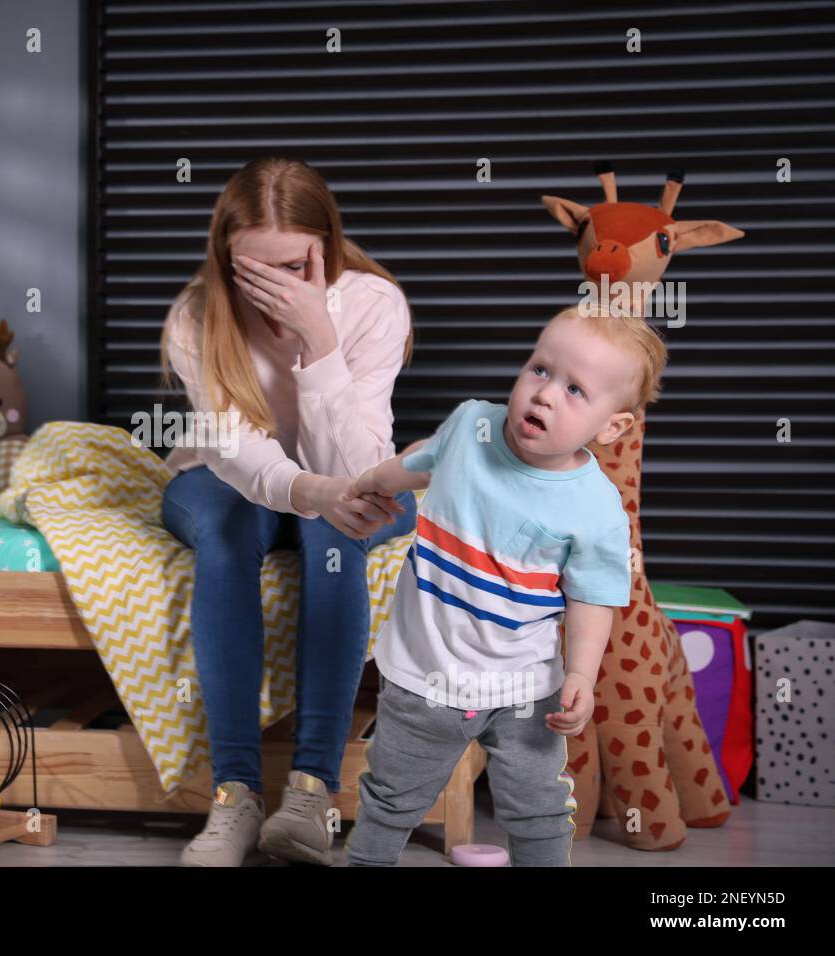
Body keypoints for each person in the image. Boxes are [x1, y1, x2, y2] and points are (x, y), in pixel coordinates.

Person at [158, 157, 417, 866]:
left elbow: (356, 467)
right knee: (228, 529)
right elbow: (240, 458)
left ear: (325, 248)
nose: (274, 291)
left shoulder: (372, 305)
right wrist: (314, 494)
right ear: (223, 257)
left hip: (351, 474)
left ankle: (310, 795)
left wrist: (318, 339)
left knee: (334, 533)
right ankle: (234, 797)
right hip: (226, 478)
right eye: (253, 272)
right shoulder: (195, 318)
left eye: (294, 267)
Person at [344, 305, 668, 866]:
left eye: (575, 390)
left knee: (539, 807)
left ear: (612, 425)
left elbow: (592, 600)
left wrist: (581, 676)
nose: (544, 394)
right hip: (424, 677)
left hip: (524, 688)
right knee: (391, 797)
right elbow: (422, 460)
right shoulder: (473, 425)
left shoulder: (595, 509)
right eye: (540, 369)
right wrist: (374, 482)